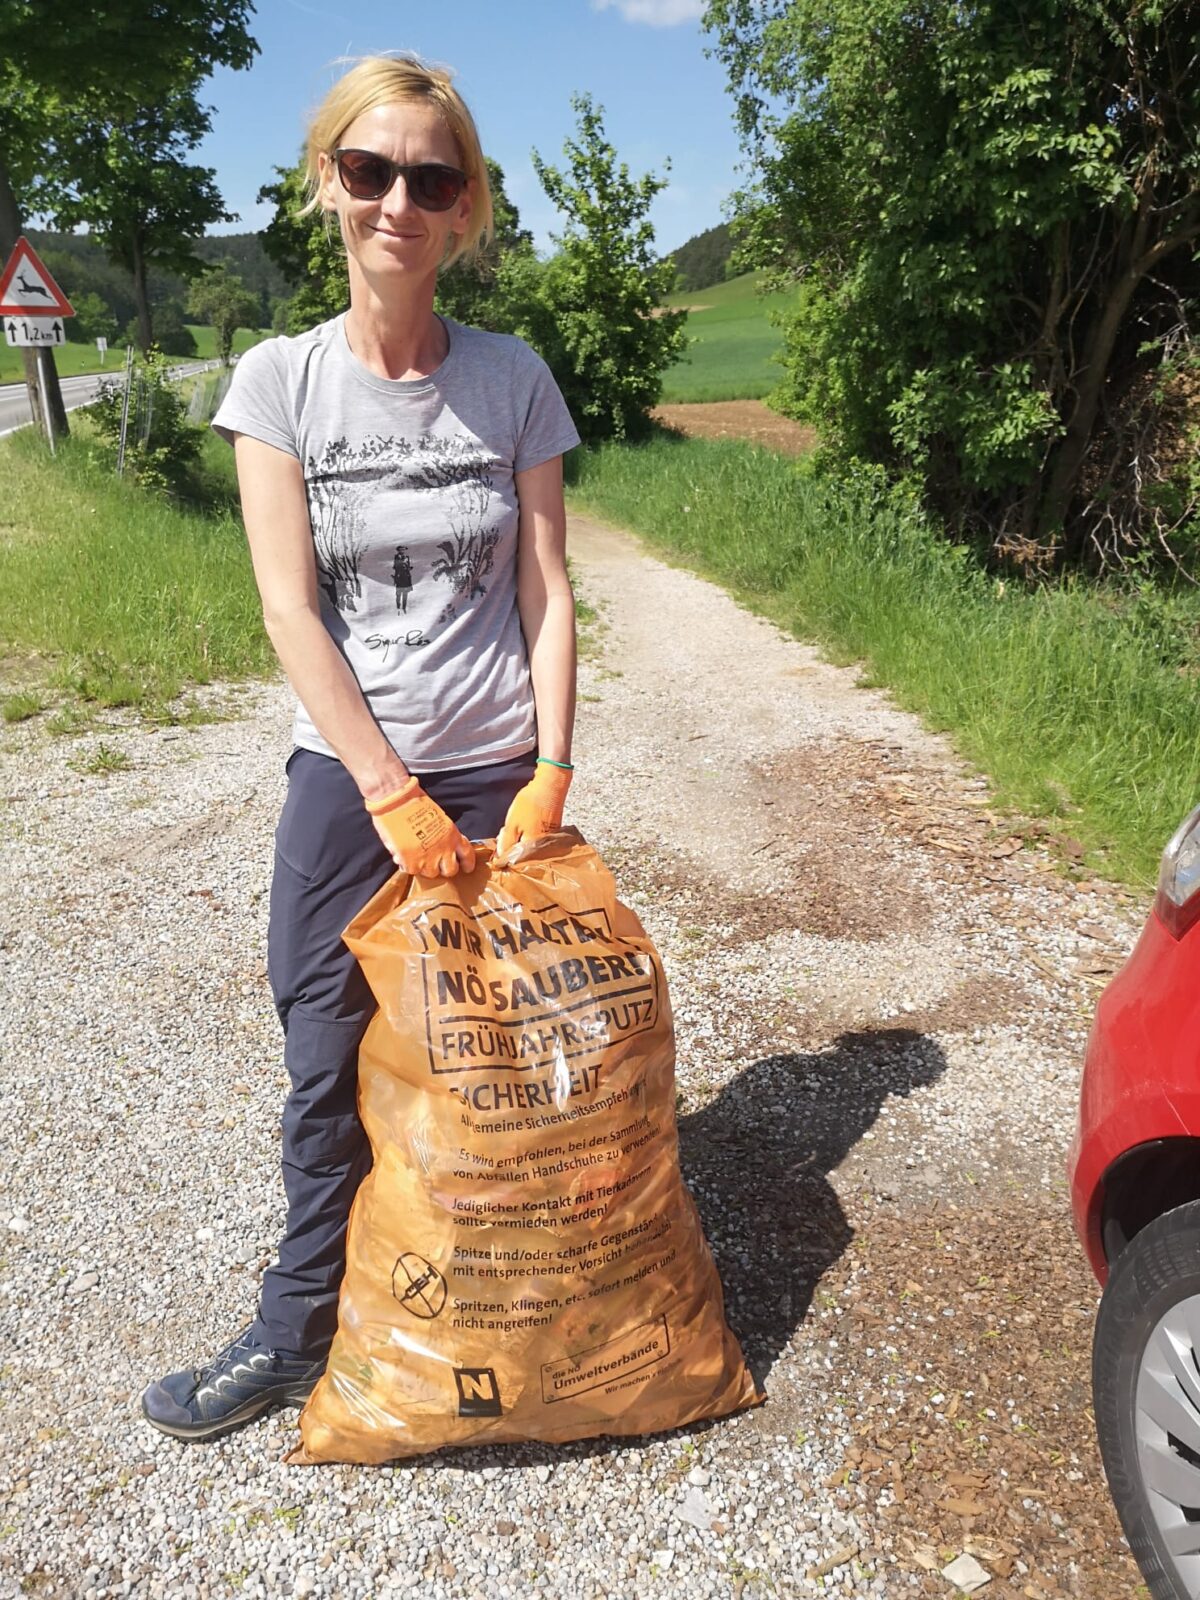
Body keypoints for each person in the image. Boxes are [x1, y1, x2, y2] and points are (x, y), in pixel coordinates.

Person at [141, 53, 580, 1440]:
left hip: (500, 767)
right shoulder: (281, 382)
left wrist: (552, 771)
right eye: (371, 170)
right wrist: (388, 791)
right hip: (351, 781)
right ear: (328, 183)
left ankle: (505, 1308)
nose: (399, 199)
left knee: (502, 1059)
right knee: (326, 1050)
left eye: (431, 178)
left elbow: (550, 591)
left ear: (465, 212)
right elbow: (287, 605)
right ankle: (296, 1322)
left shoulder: (512, 380)